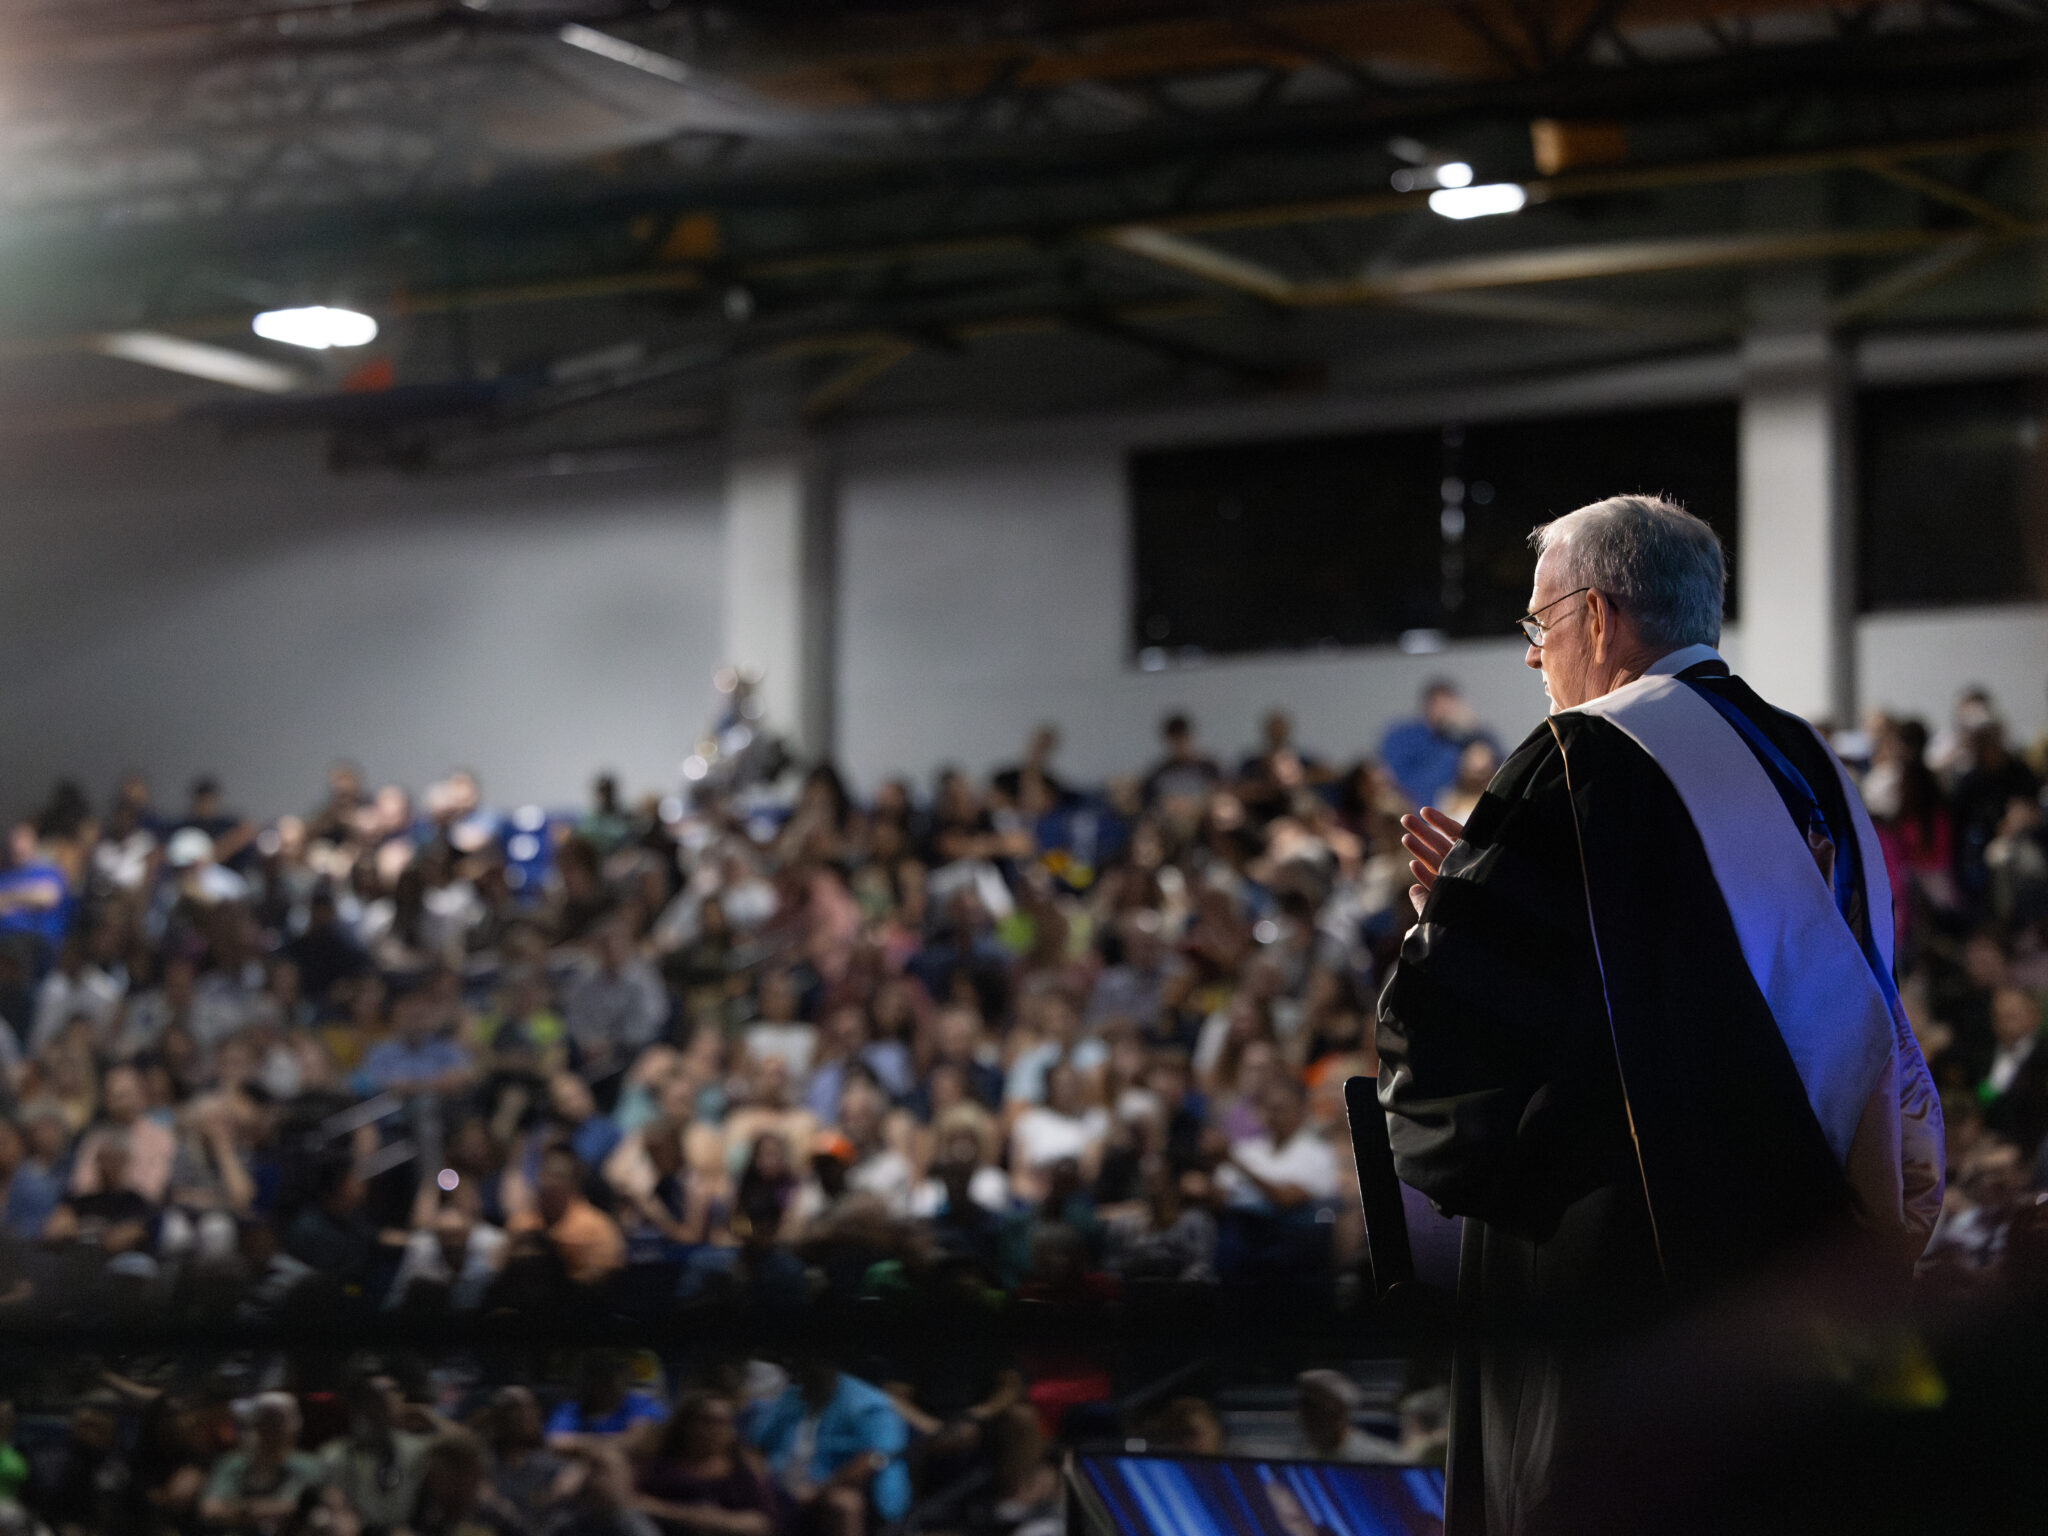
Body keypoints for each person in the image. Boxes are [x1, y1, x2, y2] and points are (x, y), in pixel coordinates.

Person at [1376, 495, 1942, 1534]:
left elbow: (1472, 1027)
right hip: (1789, 1254)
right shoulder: (1810, 764)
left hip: (1616, 1262)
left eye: (1538, 628)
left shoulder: (1584, 756)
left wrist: (1441, 925)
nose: (1534, 661)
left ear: (1596, 618)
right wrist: (1484, 898)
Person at [744, 1359, 909, 1536]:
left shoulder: (867, 1402)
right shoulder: (791, 1397)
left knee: (845, 1503)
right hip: (779, 1487)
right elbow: (753, 1445)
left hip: (830, 1489)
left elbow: (875, 1457)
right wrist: (759, 1483)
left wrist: (818, 1492)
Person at [633, 1390, 784, 1536]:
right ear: (686, 1425)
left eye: (722, 1422)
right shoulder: (660, 1467)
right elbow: (637, 1505)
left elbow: (764, 1523)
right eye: (706, 1421)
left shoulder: (743, 1470)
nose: (714, 1430)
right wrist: (689, 1516)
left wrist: (716, 1520)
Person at [200, 1393, 322, 1534]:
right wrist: (275, 1509)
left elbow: (304, 1510)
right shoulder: (232, 1464)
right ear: (255, 1423)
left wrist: (238, 1509)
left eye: (278, 1420)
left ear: (295, 1424)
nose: (272, 1427)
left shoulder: (308, 1466)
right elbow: (209, 1510)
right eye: (266, 1419)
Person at [1378, 680, 1497, 810]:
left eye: (1451, 704)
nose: (1447, 710)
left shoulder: (1467, 736)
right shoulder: (1403, 736)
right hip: (1415, 811)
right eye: (1441, 704)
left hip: (1458, 811)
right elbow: (1396, 780)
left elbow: (1502, 766)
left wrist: (1475, 731)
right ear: (1429, 705)